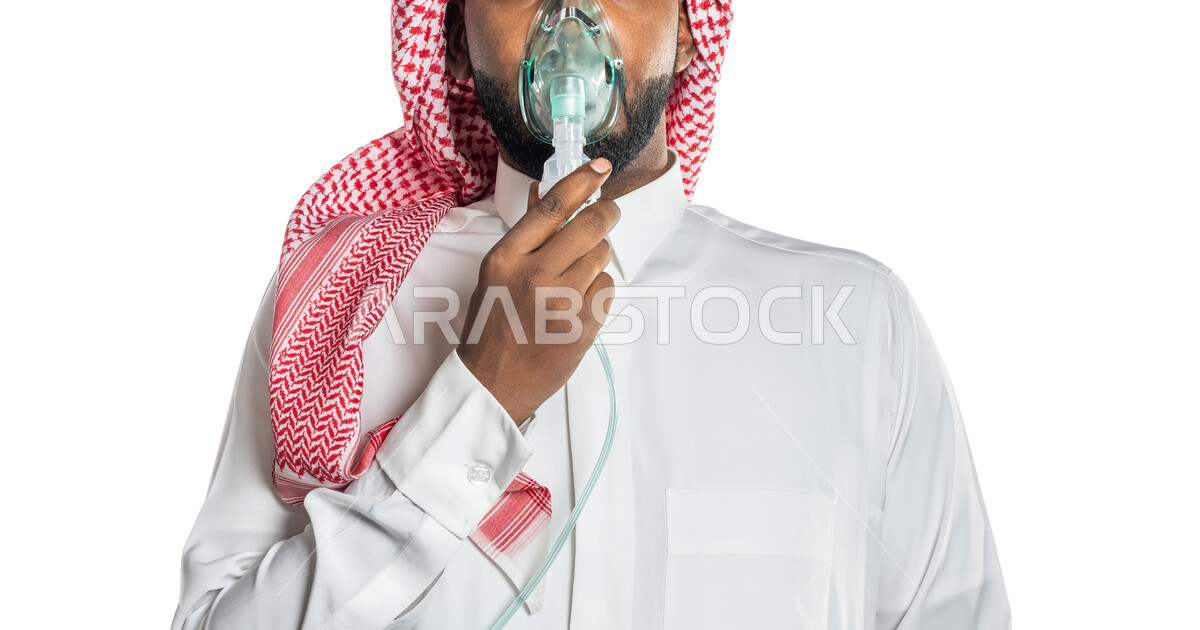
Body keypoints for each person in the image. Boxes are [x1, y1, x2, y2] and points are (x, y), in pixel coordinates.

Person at [171, 0, 1011, 628]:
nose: (567, 15)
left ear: (689, 28)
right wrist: (476, 402)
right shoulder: (340, 301)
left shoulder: (855, 327)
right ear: (455, 39)